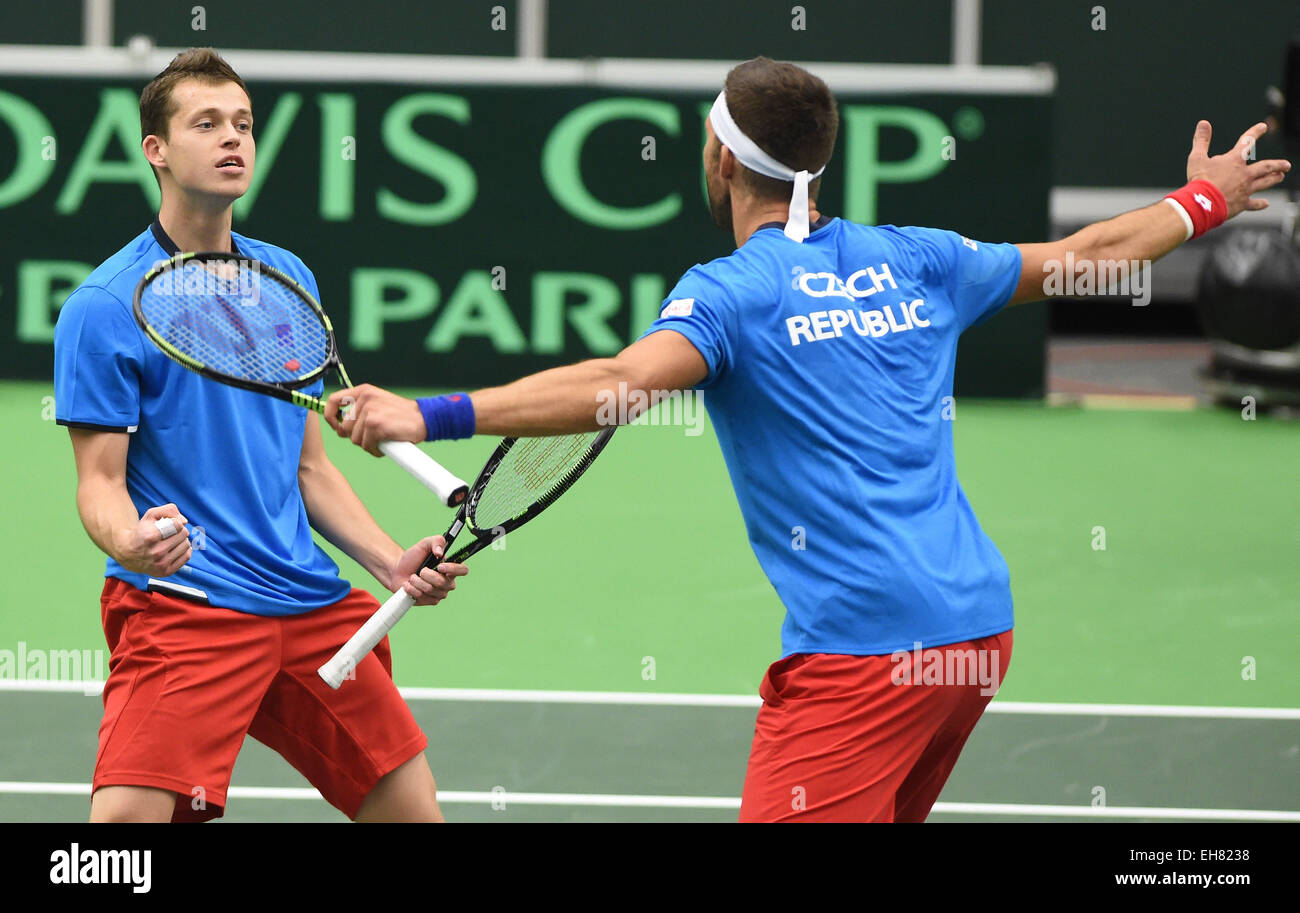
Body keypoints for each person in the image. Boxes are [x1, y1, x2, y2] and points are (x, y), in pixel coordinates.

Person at [322, 57, 1290, 822]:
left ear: (721, 161)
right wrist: (1202, 199)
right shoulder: (917, 259)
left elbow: (618, 386)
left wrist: (425, 413)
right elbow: (1090, 259)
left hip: (861, 659)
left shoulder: (731, 293)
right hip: (972, 633)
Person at [54, 48, 468, 823]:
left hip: (307, 603)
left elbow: (307, 469)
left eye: (243, 123)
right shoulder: (104, 306)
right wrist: (132, 541)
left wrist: (387, 559)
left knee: (412, 812)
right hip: (189, 604)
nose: (232, 139)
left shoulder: (286, 280)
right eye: (206, 124)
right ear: (156, 150)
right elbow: (100, 483)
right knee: (124, 831)